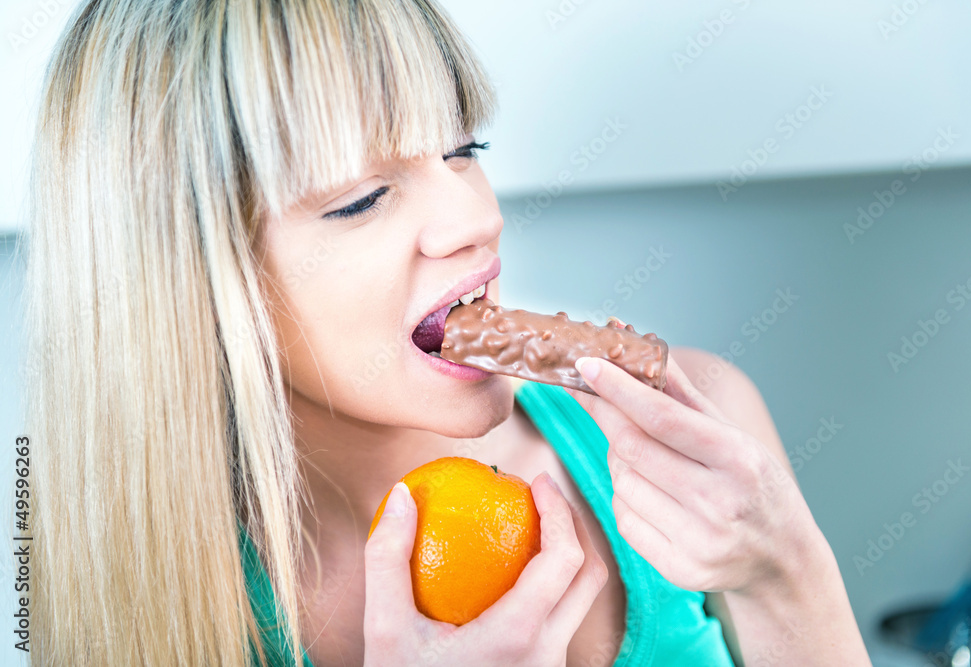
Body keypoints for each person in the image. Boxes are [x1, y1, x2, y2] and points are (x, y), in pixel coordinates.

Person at [22, 0, 872, 665]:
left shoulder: (708, 428)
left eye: (464, 147)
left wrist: (786, 574)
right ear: (190, 285)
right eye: (360, 197)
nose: (477, 215)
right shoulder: (130, 592)